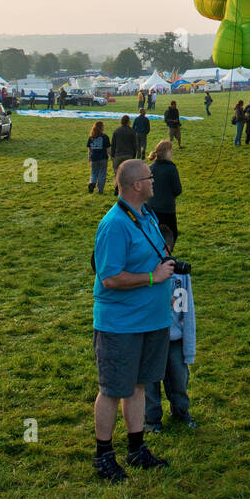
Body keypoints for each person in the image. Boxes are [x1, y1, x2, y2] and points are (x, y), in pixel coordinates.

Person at [91, 159, 174, 482]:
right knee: (113, 389)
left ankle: (136, 448)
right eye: (149, 178)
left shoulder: (147, 215)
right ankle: (103, 455)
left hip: (151, 319)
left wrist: (162, 283)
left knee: (139, 385)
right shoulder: (114, 225)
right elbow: (109, 277)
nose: (154, 181)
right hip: (121, 324)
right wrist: (152, 279)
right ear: (135, 185)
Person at [145, 227, 197, 434]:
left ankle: (181, 412)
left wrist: (188, 348)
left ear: (166, 248)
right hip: (149, 338)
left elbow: (188, 312)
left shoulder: (180, 276)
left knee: (178, 378)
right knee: (149, 382)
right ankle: (151, 420)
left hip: (174, 339)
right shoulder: (144, 273)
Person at [148, 139, 182, 241]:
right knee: (171, 235)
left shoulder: (150, 168)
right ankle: (166, 255)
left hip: (151, 207)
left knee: (154, 236)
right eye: (171, 150)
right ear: (167, 152)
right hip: (167, 209)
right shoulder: (171, 168)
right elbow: (177, 189)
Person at [87, 120, 112, 195]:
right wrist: (111, 156)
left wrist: (89, 157)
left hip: (93, 157)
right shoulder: (105, 137)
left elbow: (89, 149)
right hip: (103, 158)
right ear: (101, 128)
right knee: (102, 173)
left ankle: (92, 182)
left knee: (93, 172)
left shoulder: (91, 137)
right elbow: (108, 149)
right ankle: (100, 190)